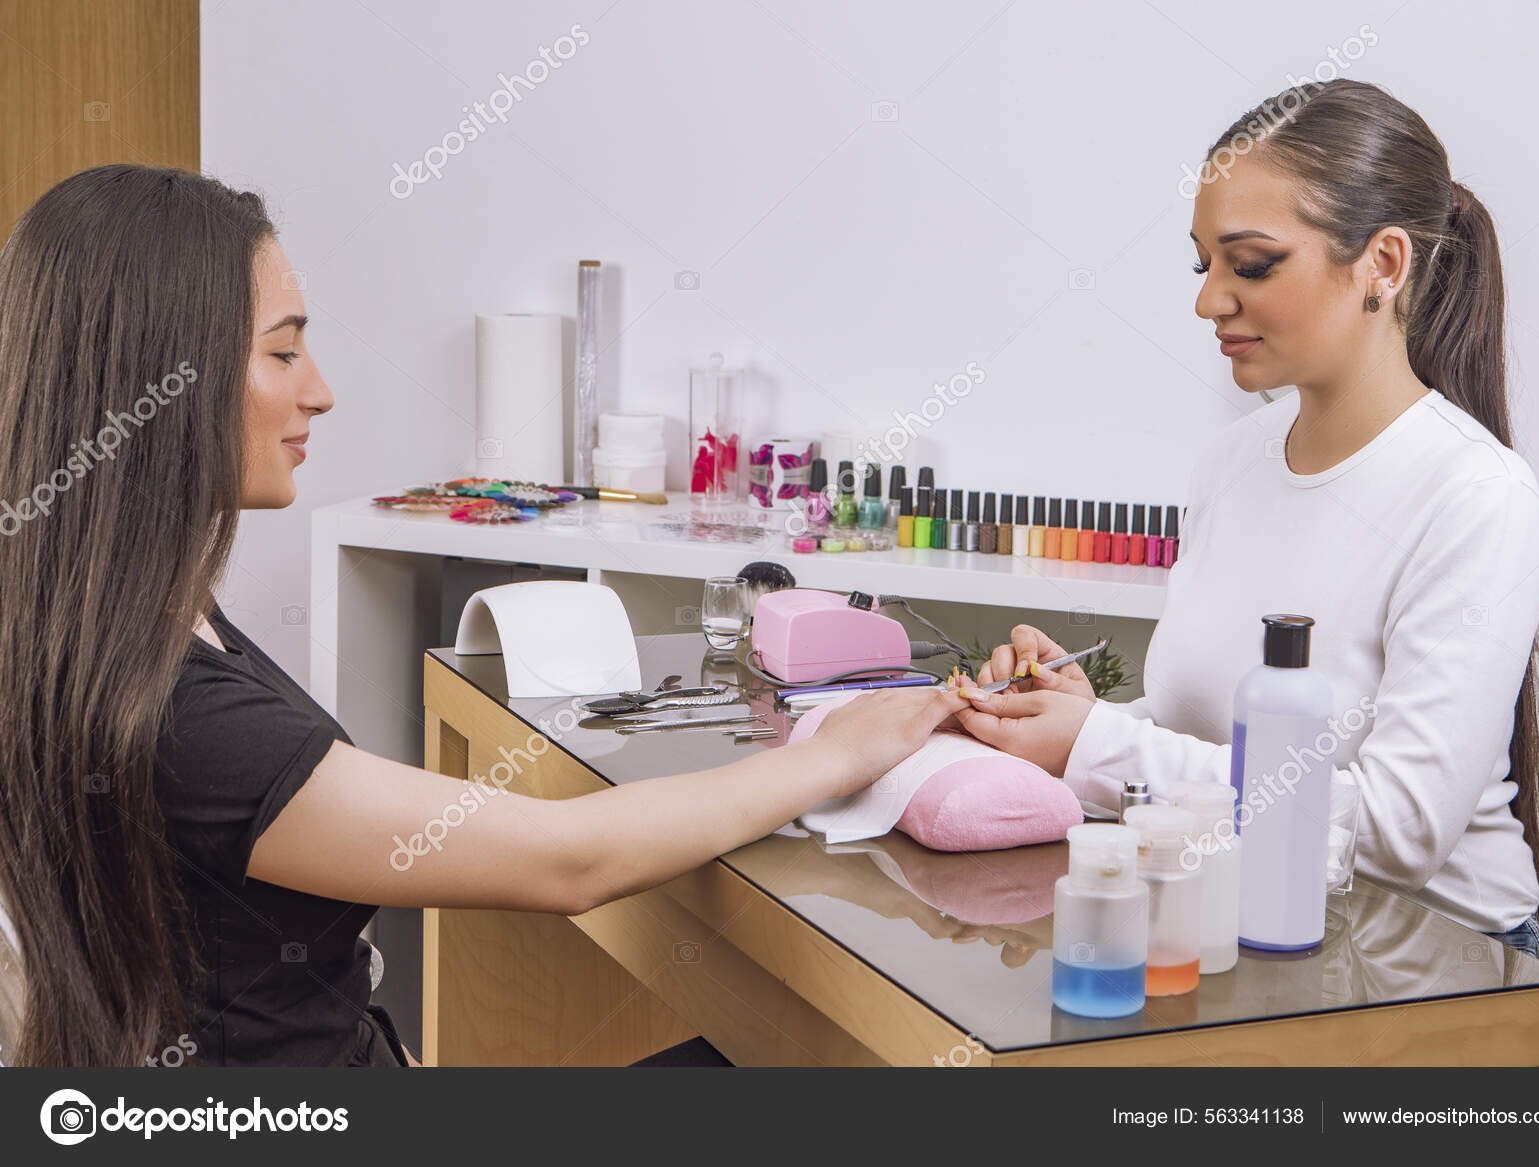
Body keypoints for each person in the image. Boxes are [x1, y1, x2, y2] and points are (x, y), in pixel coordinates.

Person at [0, 164, 968, 1067]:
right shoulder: (178, 713)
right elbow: (570, 862)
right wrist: (833, 754)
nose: (320, 391)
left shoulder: (103, 627)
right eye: (283, 350)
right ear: (158, 384)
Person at [951, 79, 1539, 960]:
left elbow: (1398, 830)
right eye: (1205, 266)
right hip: (1242, 916)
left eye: (1252, 264)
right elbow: (1214, 739)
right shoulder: (1231, 463)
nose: (1210, 302)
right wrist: (1084, 716)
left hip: (1431, 956)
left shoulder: (1478, 497)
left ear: (1383, 265)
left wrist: (1104, 748)